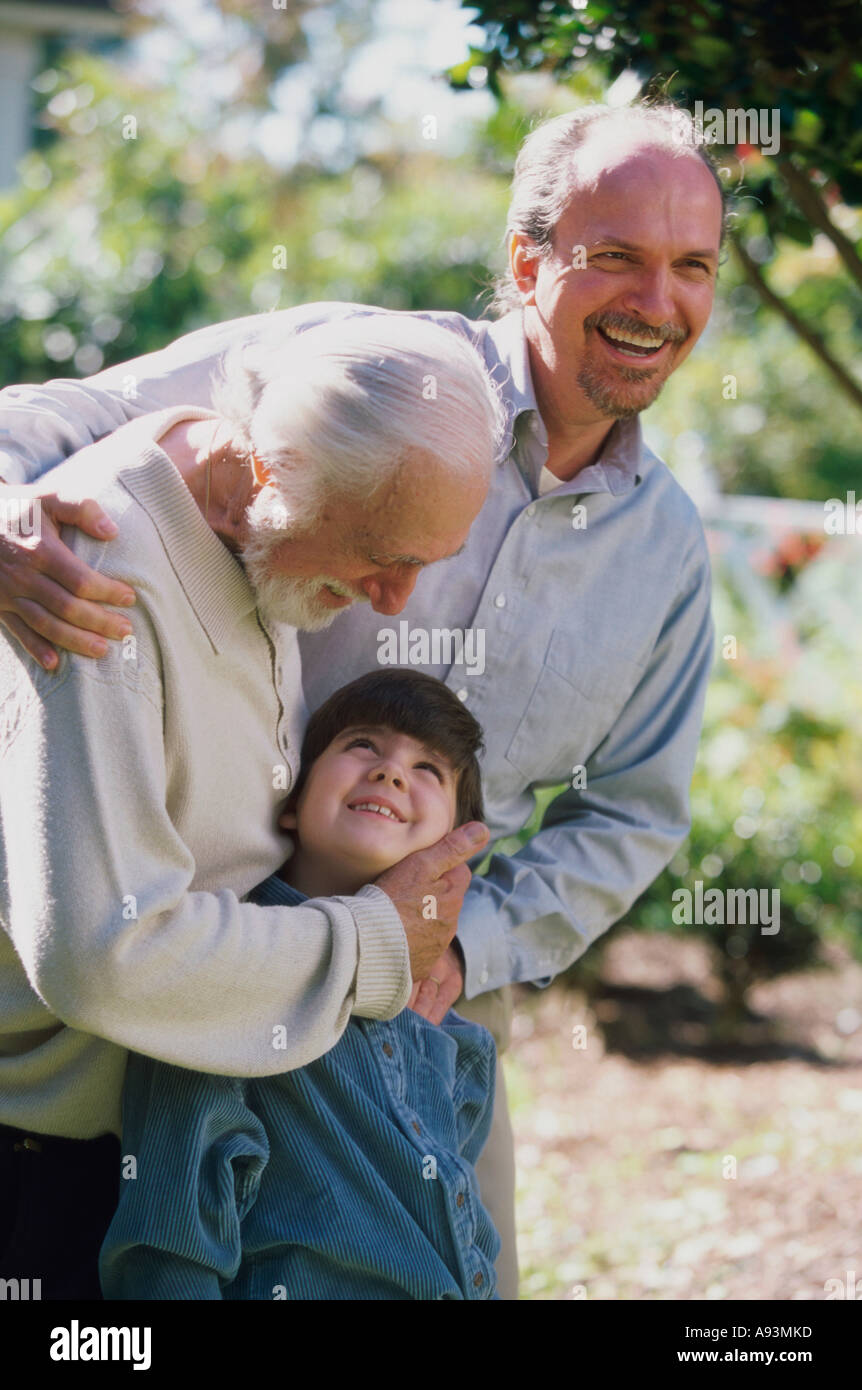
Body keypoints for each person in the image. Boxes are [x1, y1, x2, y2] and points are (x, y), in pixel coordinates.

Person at [0, 99, 722, 1298]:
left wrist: (452, 946)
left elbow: (632, 814)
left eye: (690, 266)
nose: (657, 299)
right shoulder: (347, 372)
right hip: (177, 987)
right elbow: (49, 425)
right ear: (527, 260)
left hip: (419, 1024)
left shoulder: (668, 556)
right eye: (617, 257)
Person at [0, 314, 504, 1299]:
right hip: (52, 1176)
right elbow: (104, 953)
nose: (392, 602)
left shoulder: (262, 547)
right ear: (270, 479)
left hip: (176, 1132)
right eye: (380, 555)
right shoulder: (104, 565)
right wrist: (369, 942)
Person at [101, 669, 500, 1301]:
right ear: (291, 801)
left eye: (430, 769)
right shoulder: (226, 987)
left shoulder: (458, 1047)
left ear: (458, 848)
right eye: (363, 744)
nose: (391, 772)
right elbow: (171, 1249)